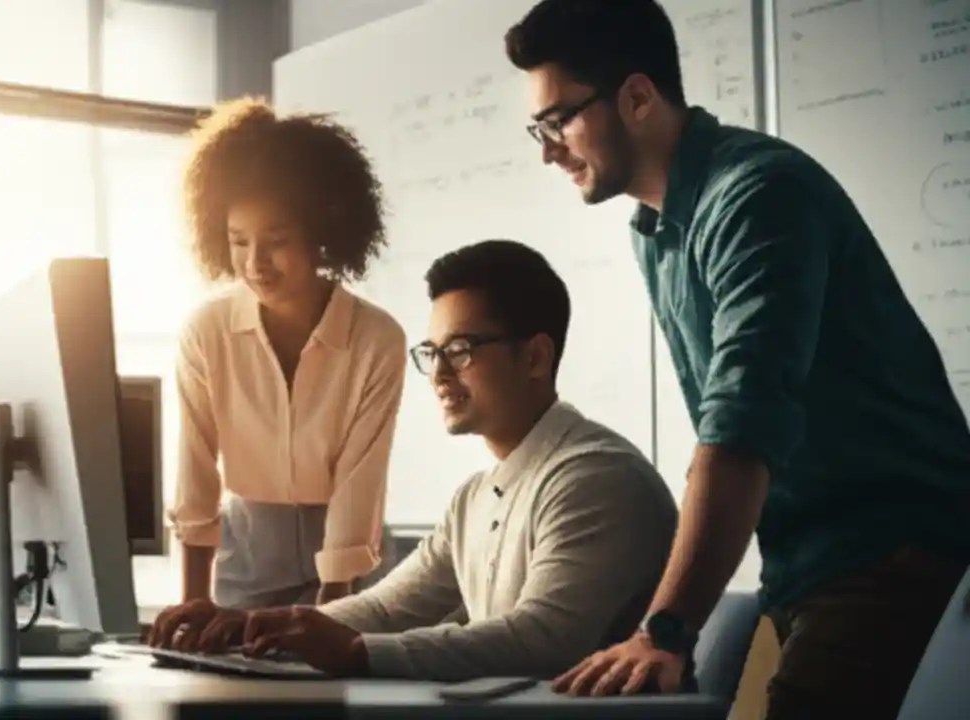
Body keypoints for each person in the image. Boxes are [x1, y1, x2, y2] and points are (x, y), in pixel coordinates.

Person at [502, 1, 970, 715]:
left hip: (889, 555)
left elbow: (740, 430)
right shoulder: (655, 228)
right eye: (538, 127)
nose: (546, 149)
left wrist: (665, 629)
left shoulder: (756, 195)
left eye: (559, 119)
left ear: (636, 96)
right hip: (806, 568)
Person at [149, 240, 678, 681]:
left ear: (536, 356)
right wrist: (247, 626)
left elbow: (543, 639)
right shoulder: (477, 495)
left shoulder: (595, 479)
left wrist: (358, 653)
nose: (440, 374)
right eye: (433, 352)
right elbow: (385, 609)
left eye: (462, 349)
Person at [162, 97, 407, 611]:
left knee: (333, 688)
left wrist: (333, 605)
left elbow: (360, 483)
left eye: (276, 241)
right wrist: (191, 602)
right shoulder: (207, 332)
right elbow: (196, 471)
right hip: (245, 557)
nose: (255, 264)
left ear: (320, 236)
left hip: (353, 568)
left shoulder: (376, 339)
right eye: (238, 241)